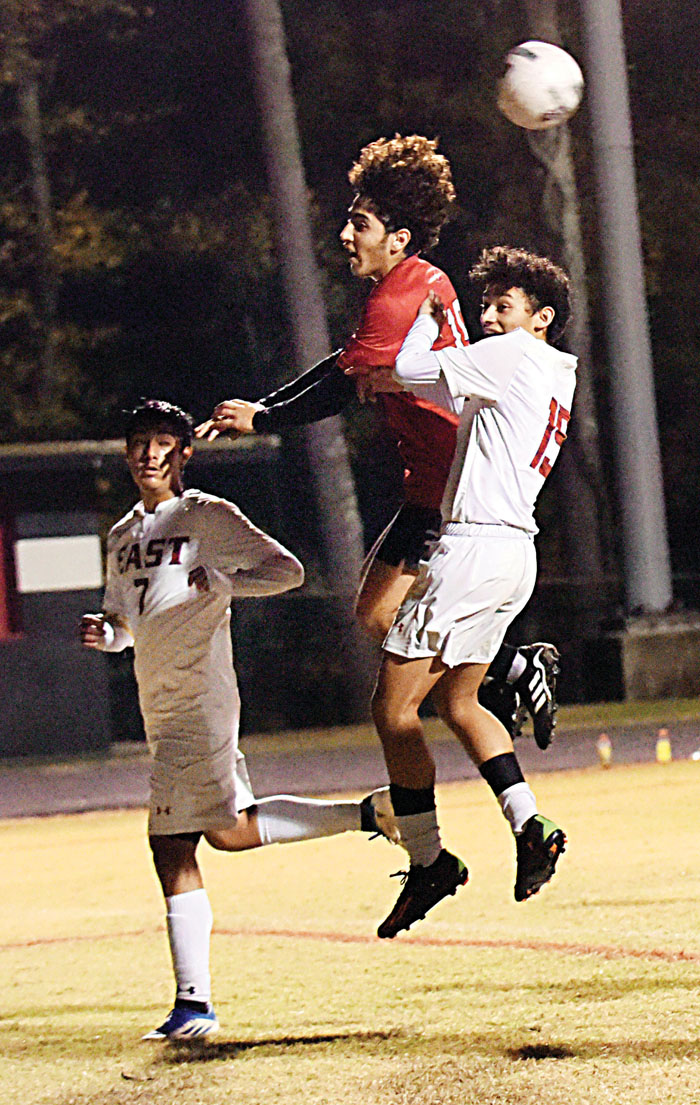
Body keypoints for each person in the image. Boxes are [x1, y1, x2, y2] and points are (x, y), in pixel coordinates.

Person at [196, 134, 559, 747]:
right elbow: (347, 366)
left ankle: (439, 795)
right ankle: (510, 671)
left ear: (399, 238)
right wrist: (265, 409)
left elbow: (341, 385)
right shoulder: (411, 285)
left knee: (400, 664)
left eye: (358, 222)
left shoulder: (403, 291)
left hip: (448, 486)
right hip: (432, 478)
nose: (344, 233)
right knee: (375, 615)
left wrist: (263, 420)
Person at [80, 399, 399, 1040]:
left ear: (184, 453)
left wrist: (222, 578)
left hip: (201, 697)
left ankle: (194, 1005)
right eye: (139, 442)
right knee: (227, 833)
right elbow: (126, 623)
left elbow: (285, 571)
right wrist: (109, 633)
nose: (149, 454)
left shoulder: (206, 515)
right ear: (126, 454)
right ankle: (371, 813)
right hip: (159, 702)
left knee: (170, 843)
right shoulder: (121, 537)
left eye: (162, 442)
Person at [361, 246, 576, 939]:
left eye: (503, 306)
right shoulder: (549, 370)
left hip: (475, 545)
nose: (488, 317)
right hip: (516, 550)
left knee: (392, 709)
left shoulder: (512, 354)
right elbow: (440, 393)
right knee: (459, 701)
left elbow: (407, 369)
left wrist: (429, 315)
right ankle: (530, 824)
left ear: (541, 318)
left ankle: (429, 860)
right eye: (484, 306)